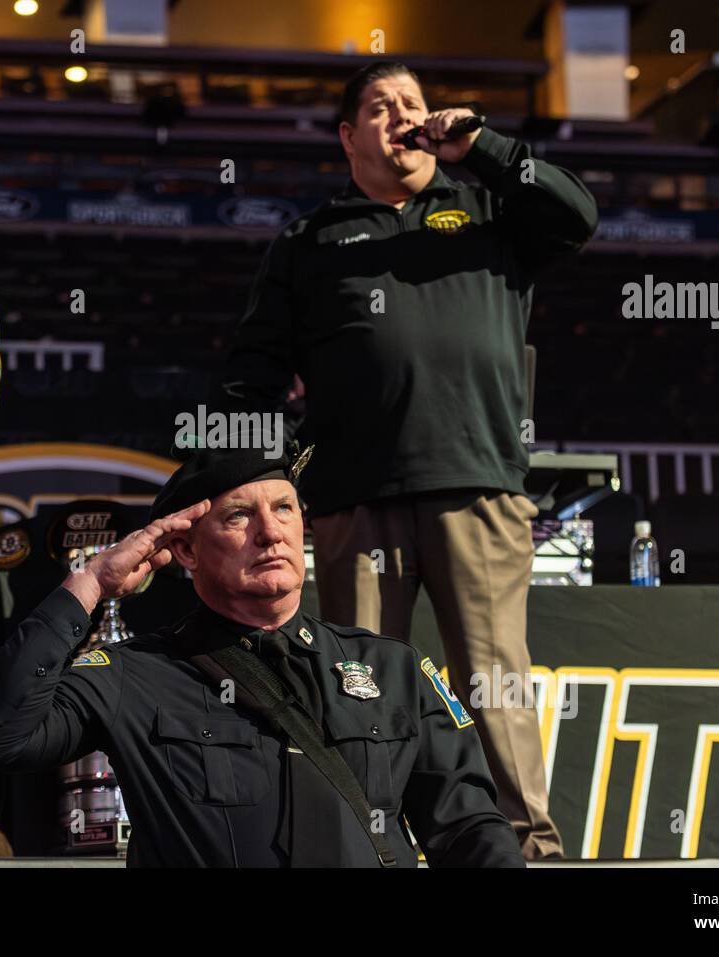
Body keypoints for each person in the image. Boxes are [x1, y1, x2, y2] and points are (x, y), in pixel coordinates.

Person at [214, 62, 599, 860]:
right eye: (381, 107)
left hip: (479, 486)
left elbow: (577, 212)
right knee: (361, 689)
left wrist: (484, 145)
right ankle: (368, 846)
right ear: (349, 135)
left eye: (414, 105)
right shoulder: (309, 240)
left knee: (493, 683)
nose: (403, 116)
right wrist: (262, 470)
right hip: (356, 495)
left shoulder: (493, 207)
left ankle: (526, 849)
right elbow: (252, 365)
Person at [0, 444, 525, 867]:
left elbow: (467, 829)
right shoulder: (134, 674)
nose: (270, 533)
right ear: (184, 548)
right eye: (238, 516)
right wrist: (90, 584)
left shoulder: (392, 669)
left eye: (284, 509)